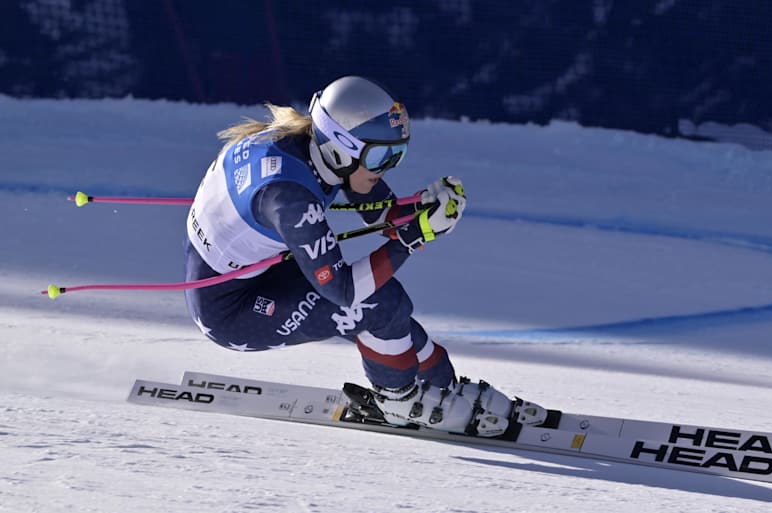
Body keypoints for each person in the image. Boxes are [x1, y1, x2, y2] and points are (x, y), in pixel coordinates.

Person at [184, 76, 544, 437]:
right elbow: (344, 291)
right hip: (231, 309)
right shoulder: (290, 198)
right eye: (382, 156)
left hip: (260, 272)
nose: (388, 167)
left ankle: (441, 384)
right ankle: (399, 399)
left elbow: (382, 213)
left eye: (397, 154)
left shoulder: (318, 150)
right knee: (378, 304)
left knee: (392, 310)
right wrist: (417, 234)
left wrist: (424, 208)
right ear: (341, 147)